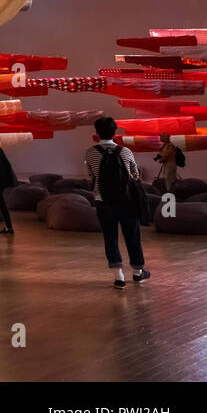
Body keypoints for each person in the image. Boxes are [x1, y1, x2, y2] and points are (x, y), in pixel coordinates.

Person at [87, 117, 150, 289]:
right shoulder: (126, 151)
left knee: (110, 238)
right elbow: (135, 174)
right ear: (115, 132)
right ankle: (138, 272)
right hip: (127, 201)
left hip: (103, 201)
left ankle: (119, 277)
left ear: (96, 132)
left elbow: (92, 175)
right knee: (133, 237)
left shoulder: (90, 153)